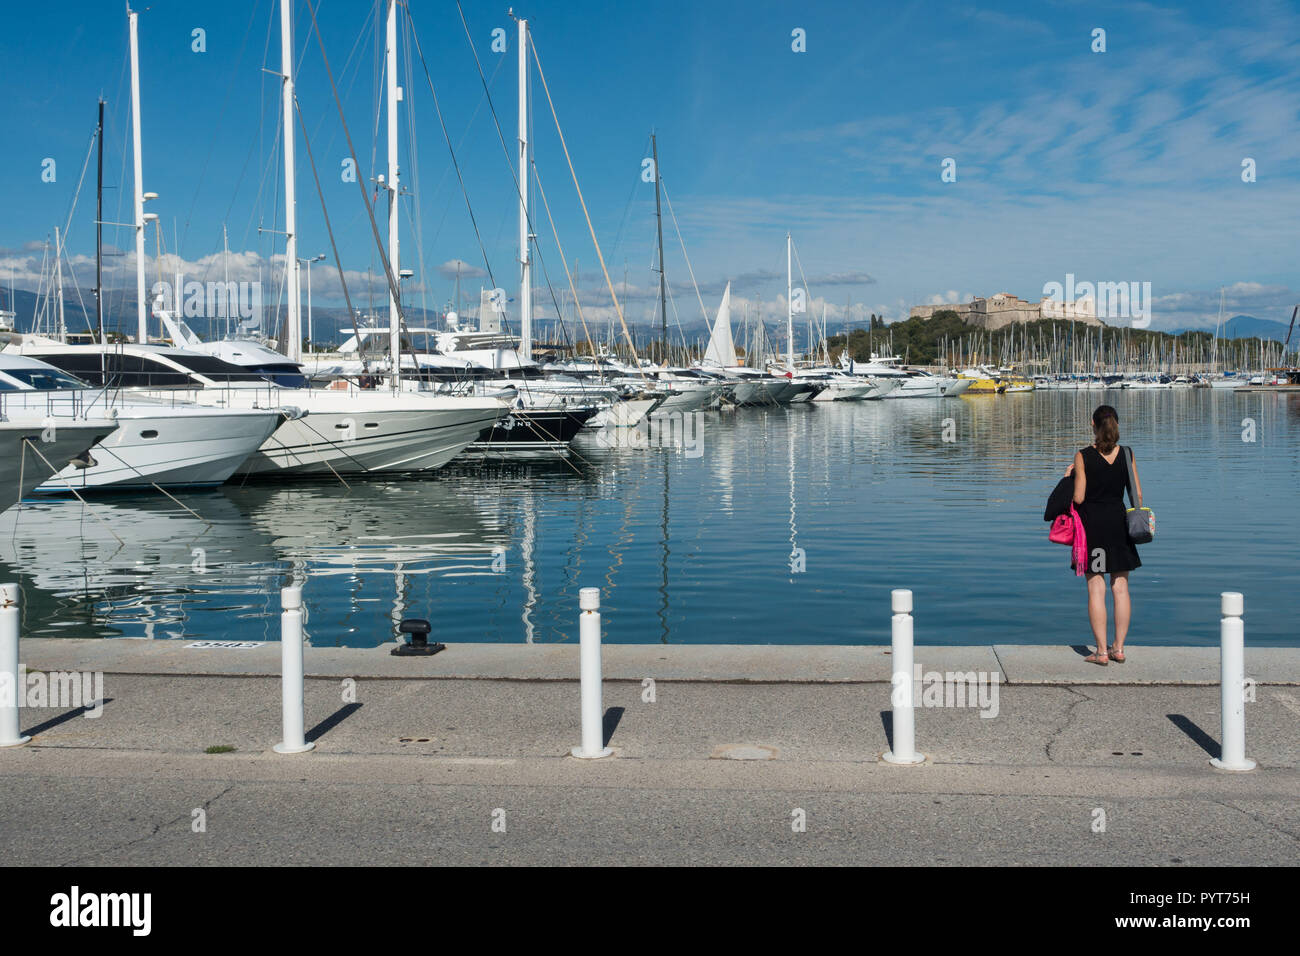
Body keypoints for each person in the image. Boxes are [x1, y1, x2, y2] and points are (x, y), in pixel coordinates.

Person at [1065, 405, 1143, 665]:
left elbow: (1078, 497)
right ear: (1117, 425)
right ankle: (1118, 648)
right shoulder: (1127, 454)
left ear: (1093, 425)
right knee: (1120, 588)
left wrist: (1070, 476)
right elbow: (1137, 496)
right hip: (1120, 527)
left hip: (1093, 529)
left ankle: (1100, 651)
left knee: (1096, 588)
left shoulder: (1083, 456)